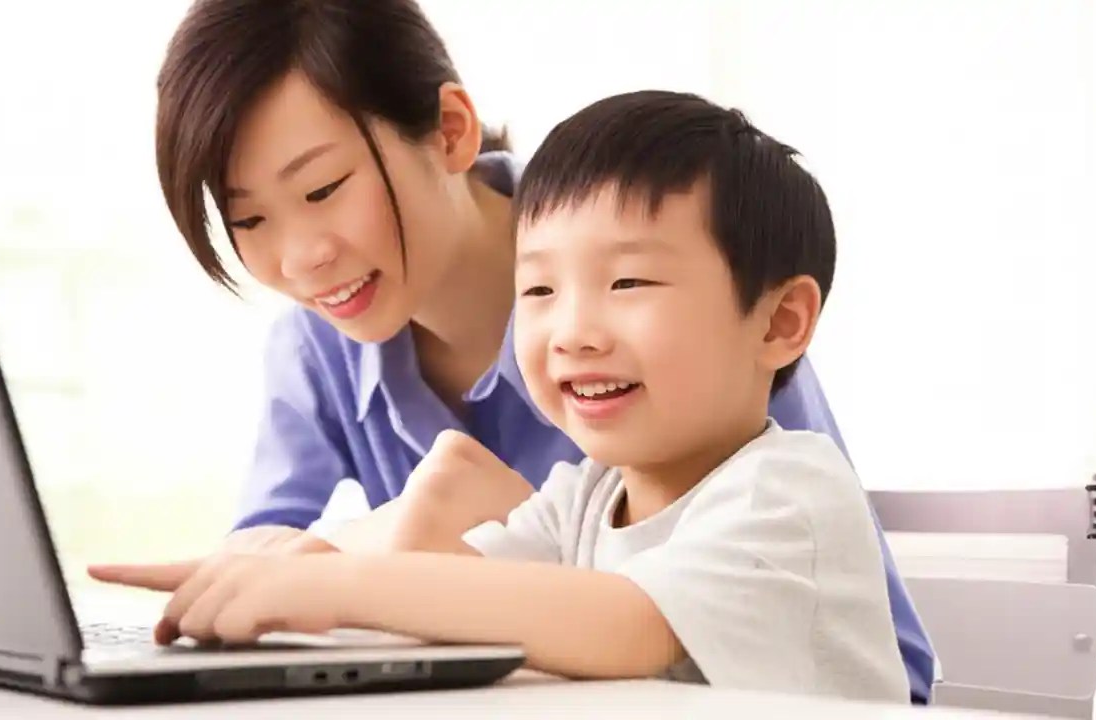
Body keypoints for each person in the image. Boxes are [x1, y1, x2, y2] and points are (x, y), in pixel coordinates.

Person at [100, 0, 933, 700]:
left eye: (323, 189)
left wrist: (333, 580)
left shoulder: (783, 488)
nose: (573, 330)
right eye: (537, 292)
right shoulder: (588, 495)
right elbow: (457, 587)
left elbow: (625, 622)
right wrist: (331, 554)